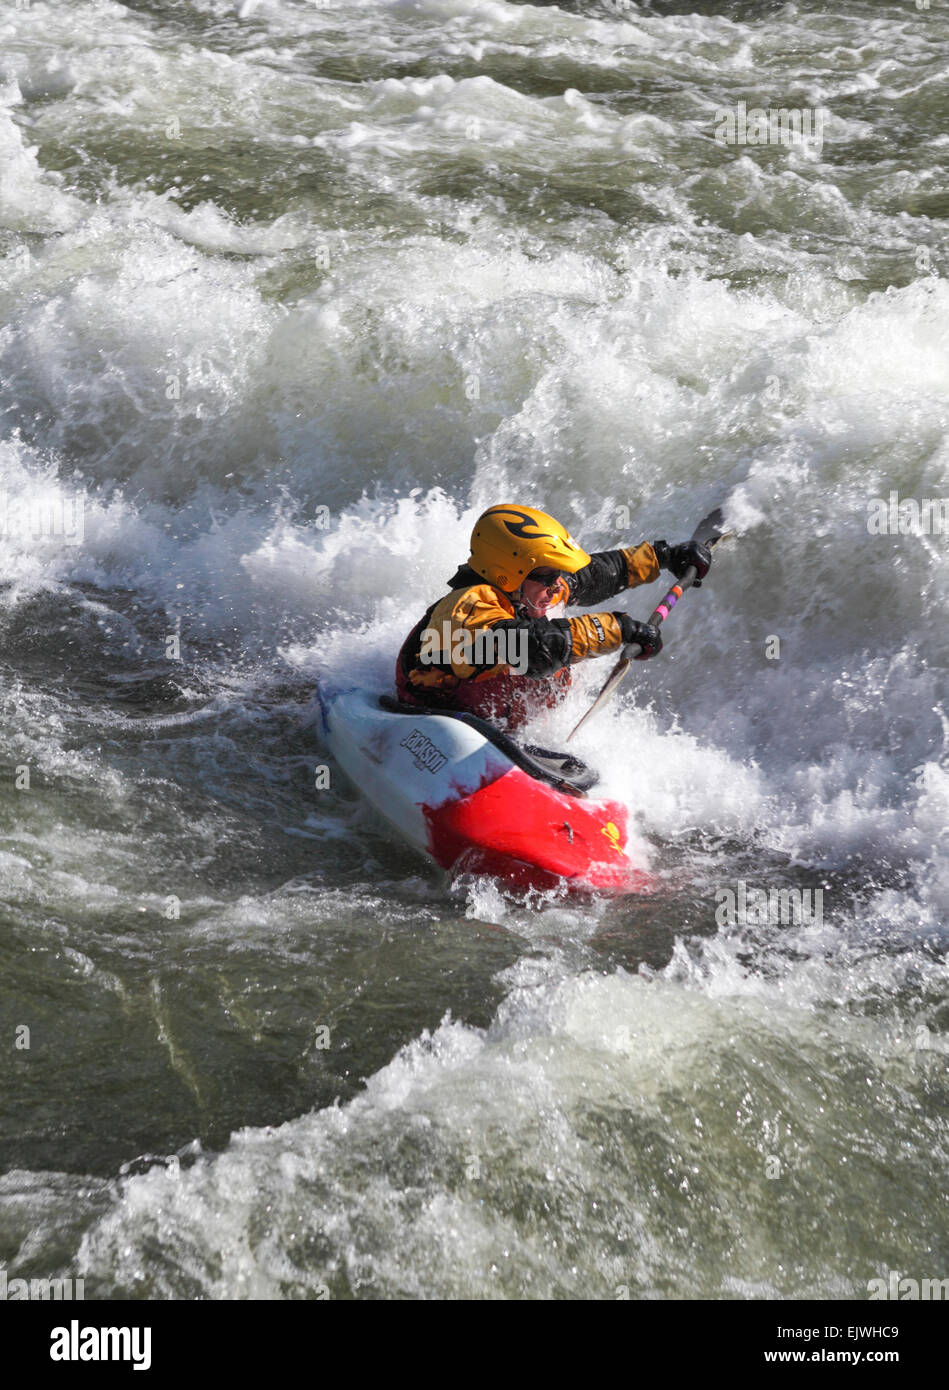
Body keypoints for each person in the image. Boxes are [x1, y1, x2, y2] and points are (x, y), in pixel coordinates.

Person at [394, 504, 711, 731]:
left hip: (497, 720)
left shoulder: (529, 589)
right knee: (549, 652)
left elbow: (592, 576)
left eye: (556, 575)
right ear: (508, 575)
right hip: (433, 714)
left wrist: (664, 557)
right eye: (547, 576)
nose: (556, 585)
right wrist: (618, 629)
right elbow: (533, 650)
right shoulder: (467, 609)